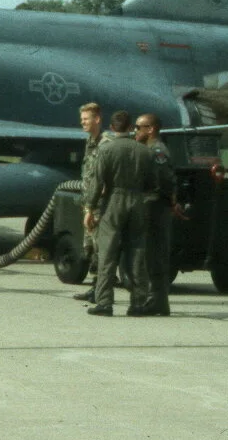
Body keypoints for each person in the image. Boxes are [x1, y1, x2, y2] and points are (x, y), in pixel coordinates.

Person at [83, 109, 168, 316]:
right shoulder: (145, 152)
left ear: (112, 128)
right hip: (138, 202)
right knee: (137, 253)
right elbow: (153, 183)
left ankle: (104, 302)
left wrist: (90, 208)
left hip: (114, 201)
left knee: (107, 253)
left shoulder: (106, 150)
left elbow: (97, 182)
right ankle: (138, 303)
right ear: (130, 128)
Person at [133, 113, 176, 316]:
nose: (135, 131)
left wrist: (162, 198)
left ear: (150, 129)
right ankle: (158, 301)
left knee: (154, 254)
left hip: (156, 206)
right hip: (153, 204)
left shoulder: (157, 150)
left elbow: (165, 179)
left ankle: (156, 300)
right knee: (151, 253)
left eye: (138, 127)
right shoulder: (149, 149)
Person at [72, 101, 105, 303]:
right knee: (91, 248)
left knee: (99, 248)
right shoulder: (90, 142)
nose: (82, 122)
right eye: (81, 119)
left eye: (86, 119)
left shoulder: (105, 144)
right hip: (90, 205)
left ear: (97, 119)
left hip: (99, 206)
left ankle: (100, 289)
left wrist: (93, 206)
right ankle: (95, 286)